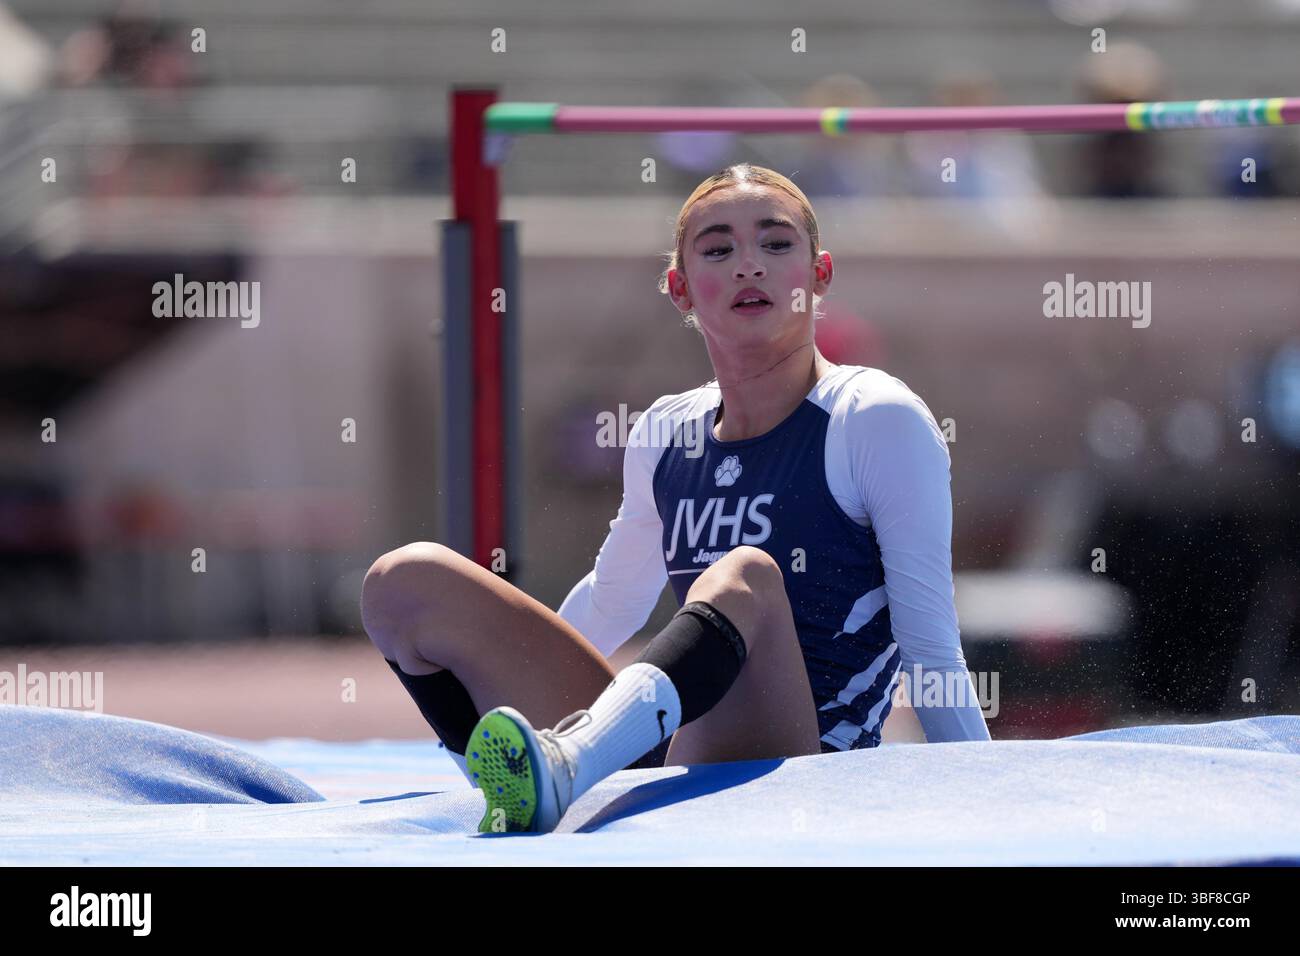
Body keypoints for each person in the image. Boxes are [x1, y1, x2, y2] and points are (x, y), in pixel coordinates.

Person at [361, 163, 990, 834]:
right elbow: (610, 602)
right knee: (403, 581)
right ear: (680, 290)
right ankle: (510, 783)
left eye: (776, 245)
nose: (750, 266)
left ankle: (569, 762)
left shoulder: (874, 417)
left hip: (805, 771)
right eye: (719, 249)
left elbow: (932, 647)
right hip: (677, 746)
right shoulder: (666, 429)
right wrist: (504, 679)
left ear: (820, 275)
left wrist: (991, 805)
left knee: (744, 573)